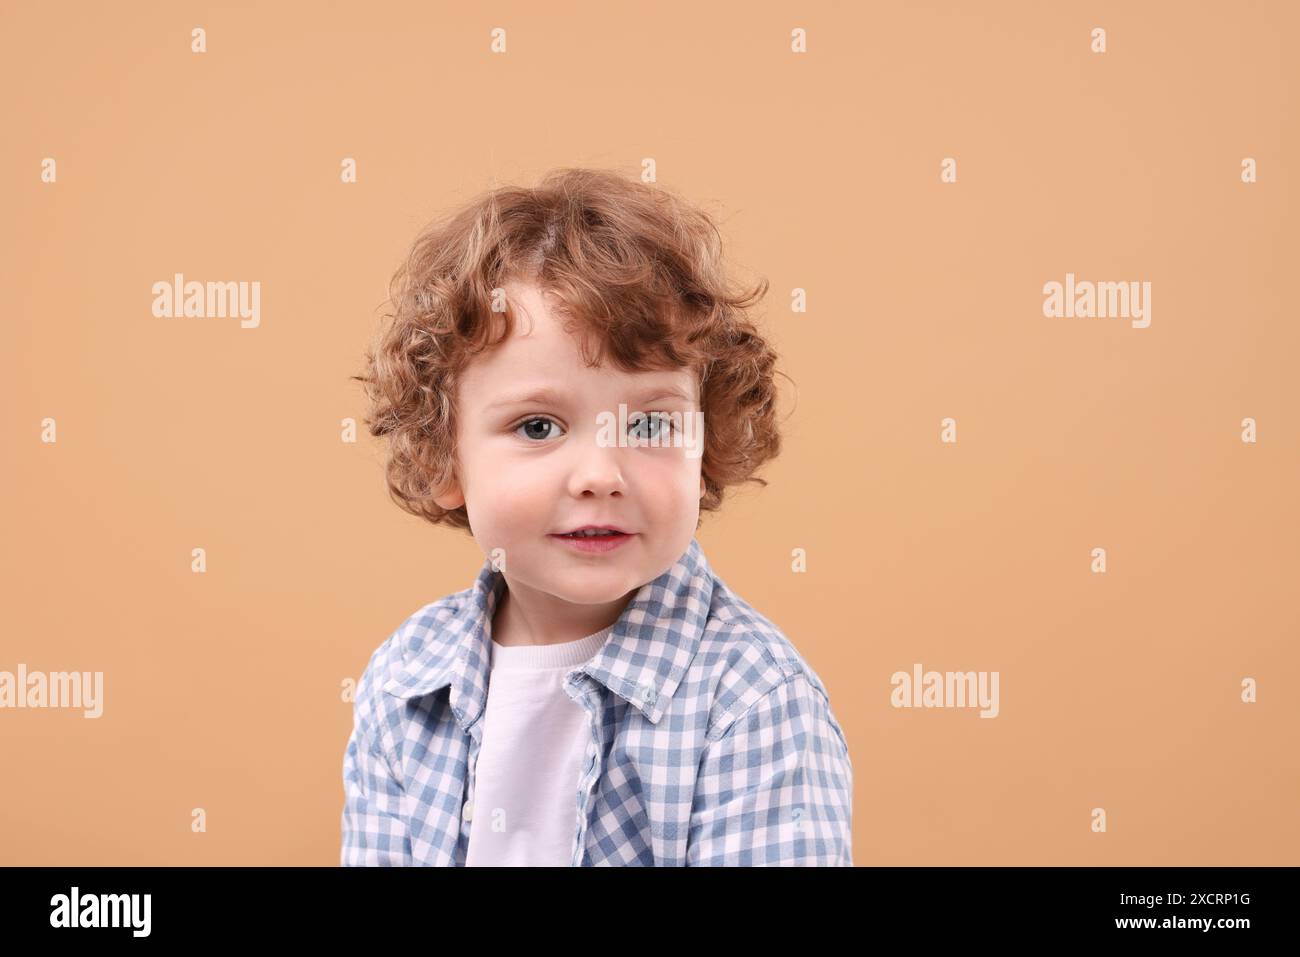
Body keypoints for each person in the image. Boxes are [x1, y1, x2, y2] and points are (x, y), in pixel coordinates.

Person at [342, 168, 852, 866]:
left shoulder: (753, 701)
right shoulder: (407, 680)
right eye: (539, 427)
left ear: (707, 443)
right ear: (443, 459)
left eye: (649, 426)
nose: (600, 476)